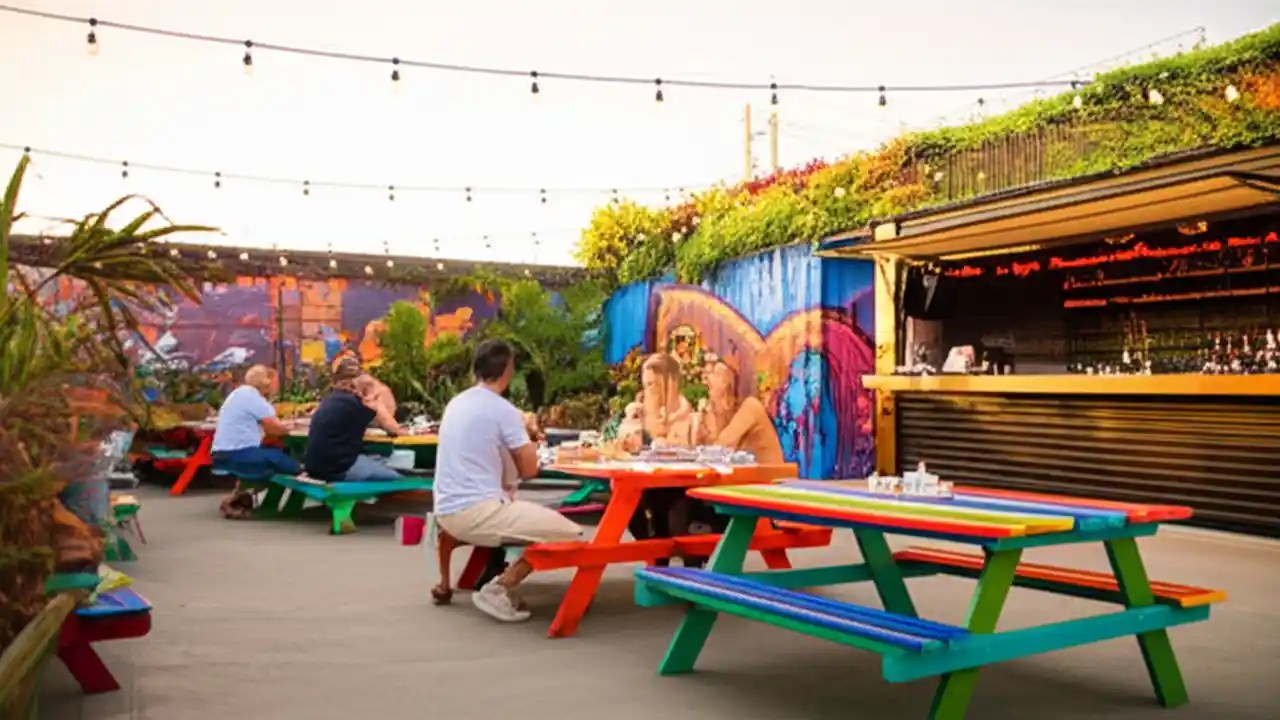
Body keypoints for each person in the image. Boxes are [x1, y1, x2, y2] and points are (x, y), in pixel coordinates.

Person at [434, 338, 584, 623]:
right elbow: (529, 469)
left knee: (532, 519)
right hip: (479, 511)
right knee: (570, 534)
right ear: (507, 371)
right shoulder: (504, 411)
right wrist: (527, 434)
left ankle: (498, 584)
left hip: (446, 509)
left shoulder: (457, 402)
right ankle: (500, 587)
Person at [304, 359, 408, 482]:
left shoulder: (333, 399)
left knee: (377, 460)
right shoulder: (356, 403)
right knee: (398, 480)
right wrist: (375, 399)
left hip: (315, 467)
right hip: (339, 469)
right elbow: (394, 427)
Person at [210, 365, 301, 476]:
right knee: (287, 463)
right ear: (267, 382)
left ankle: (248, 491)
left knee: (275, 456)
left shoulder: (240, 393)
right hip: (237, 454)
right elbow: (275, 429)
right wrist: (292, 427)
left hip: (221, 455)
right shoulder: (253, 397)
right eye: (276, 381)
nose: (278, 385)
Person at [697, 354, 785, 464]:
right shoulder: (721, 413)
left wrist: (711, 422)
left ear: (726, 380)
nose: (704, 380)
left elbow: (720, 448)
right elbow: (706, 450)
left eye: (711, 373)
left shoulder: (751, 406)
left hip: (770, 477)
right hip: (748, 476)